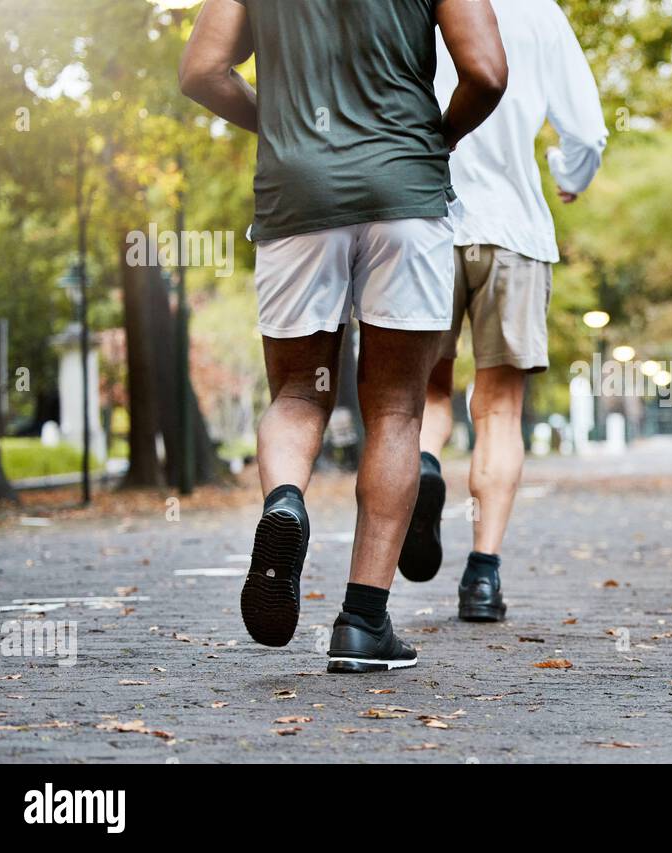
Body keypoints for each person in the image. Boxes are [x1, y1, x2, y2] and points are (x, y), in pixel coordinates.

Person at [179, 0, 507, 673]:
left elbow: (203, 71)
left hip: (297, 191)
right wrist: (435, 136)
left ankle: (285, 501)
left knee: (298, 392)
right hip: (404, 191)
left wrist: (279, 124)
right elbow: (487, 73)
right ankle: (362, 621)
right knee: (395, 408)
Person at [398, 0, 607, 623]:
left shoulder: (413, 6)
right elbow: (587, 131)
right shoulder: (540, 14)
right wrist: (570, 173)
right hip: (513, 234)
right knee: (499, 409)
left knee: (423, 394)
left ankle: (424, 467)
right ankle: (482, 577)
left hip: (425, 221)